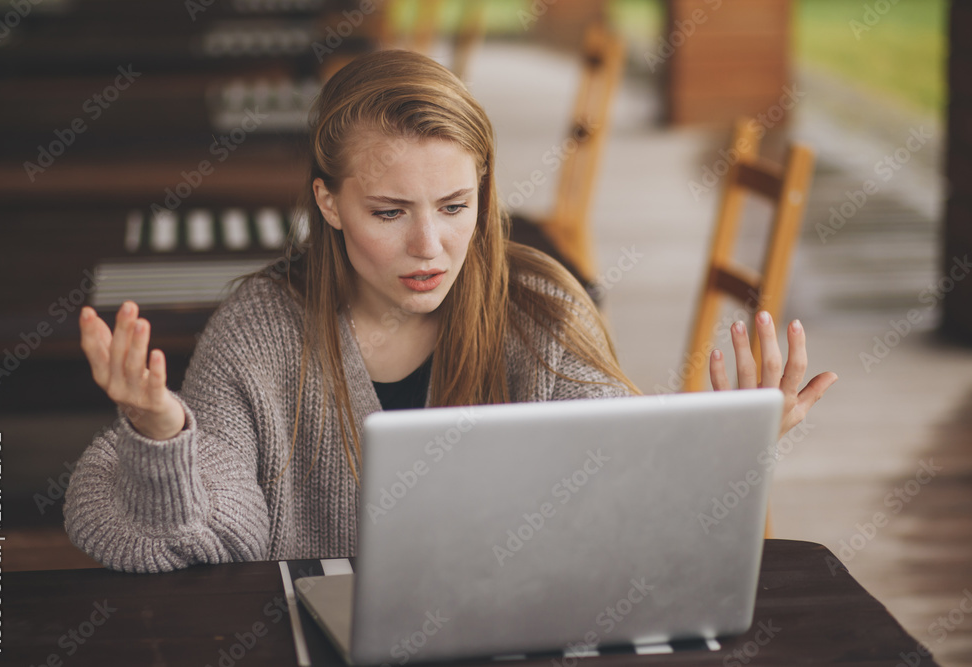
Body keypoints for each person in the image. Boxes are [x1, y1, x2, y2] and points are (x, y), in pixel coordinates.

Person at [66, 50, 836, 573]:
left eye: (456, 205)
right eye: (390, 211)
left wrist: (719, 447)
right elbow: (216, 535)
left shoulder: (537, 307)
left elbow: (622, 497)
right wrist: (161, 434)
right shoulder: (259, 331)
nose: (430, 246)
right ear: (328, 202)